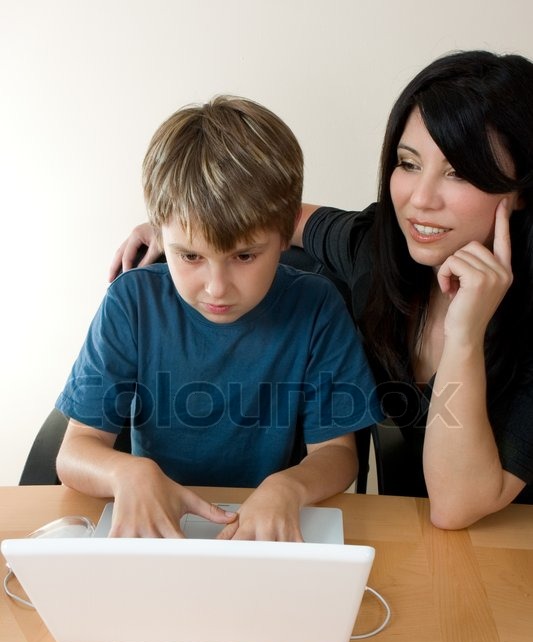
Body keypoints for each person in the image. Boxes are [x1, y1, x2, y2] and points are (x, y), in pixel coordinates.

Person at [110, 50, 533, 530]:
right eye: (408, 163)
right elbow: (280, 216)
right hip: (409, 531)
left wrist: (465, 335)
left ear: (521, 189)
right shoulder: (375, 248)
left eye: (458, 172)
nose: (420, 200)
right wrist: (183, 224)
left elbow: (455, 507)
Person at [56, 95, 381, 539]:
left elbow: (338, 453)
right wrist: (126, 473)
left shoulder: (317, 307)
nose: (216, 288)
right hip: (156, 530)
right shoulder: (132, 302)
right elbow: (76, 450)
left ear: (286, 233)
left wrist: (290, 487)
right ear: (160, 233)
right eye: (190, 256)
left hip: (264, 529)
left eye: (244, 256)